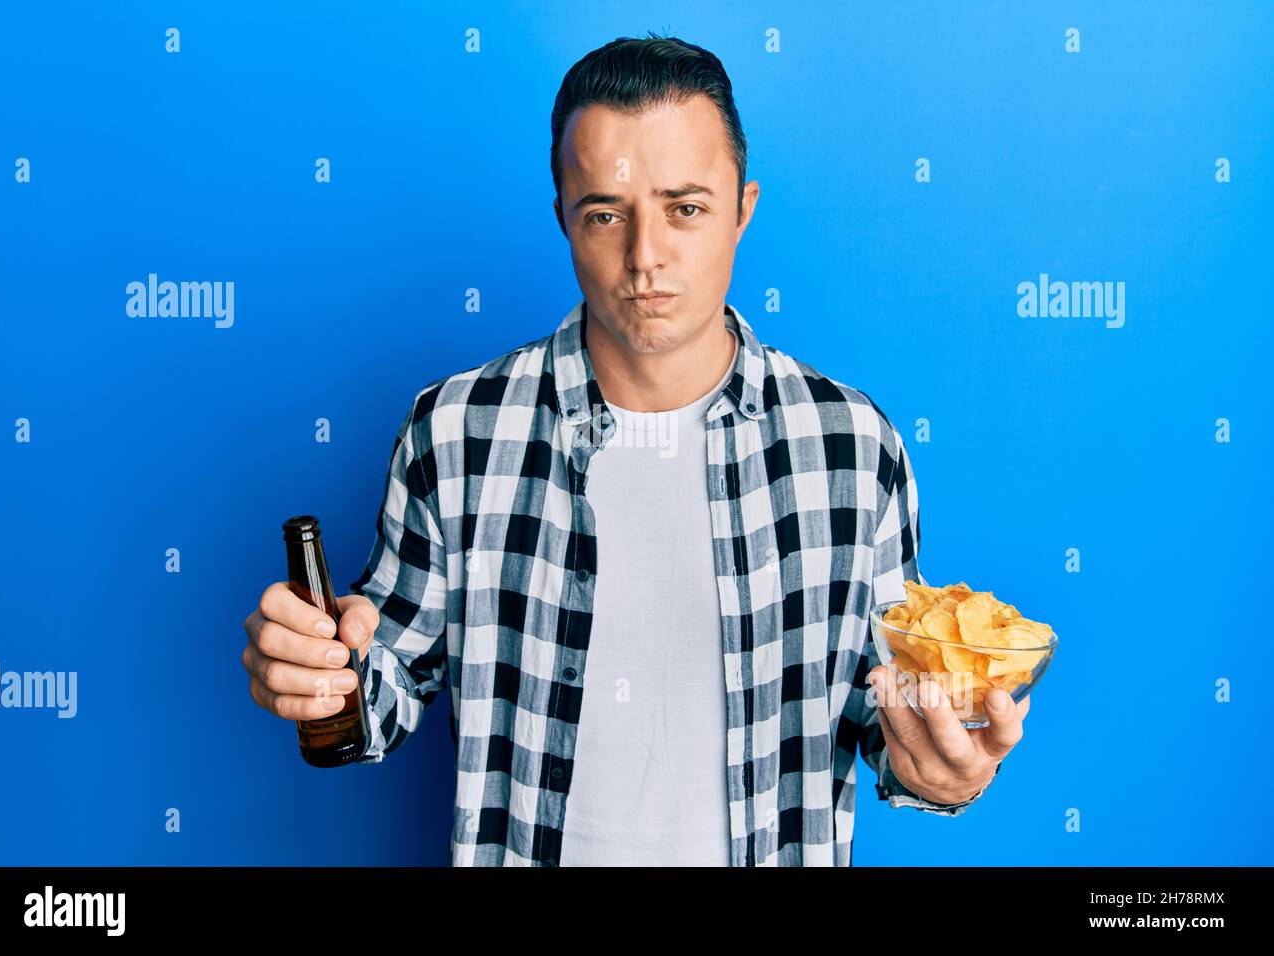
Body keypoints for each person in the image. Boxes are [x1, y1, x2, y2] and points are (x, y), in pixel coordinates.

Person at [240, 32, 1026, 867]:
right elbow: (384, 678)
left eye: (685, 208)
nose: (645, 257)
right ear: (565, 222)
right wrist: (323, 674)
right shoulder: (455, 429)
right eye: (606, 214)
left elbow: (886, 704)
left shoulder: (852, 446)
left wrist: (943, 767)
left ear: (742, 210)